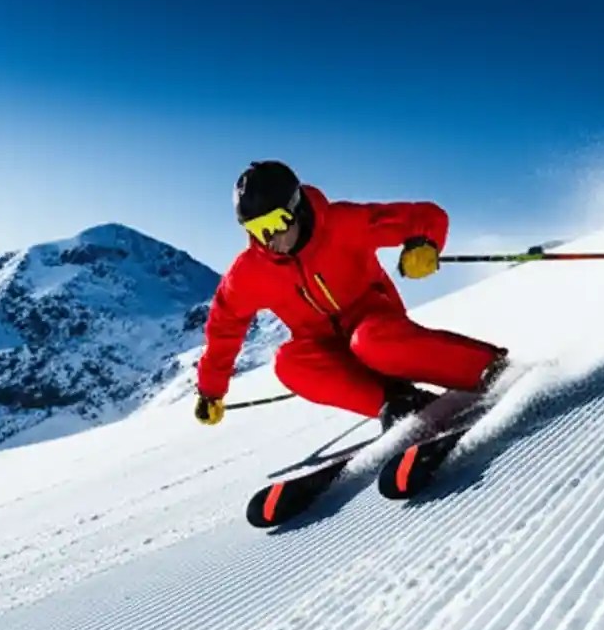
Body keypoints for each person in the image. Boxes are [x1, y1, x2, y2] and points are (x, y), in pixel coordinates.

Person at [194, 160, 507, 429]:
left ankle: (487, 369)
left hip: (377, 326)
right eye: (256, 228)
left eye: (274, 223)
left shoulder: (342, 225)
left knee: (371, 342)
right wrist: (210, 390)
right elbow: (225, 326)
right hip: (329, 349)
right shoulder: (252, 271)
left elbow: (426, 216)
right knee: (288, 363)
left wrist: (425, 244)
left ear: (296, 207)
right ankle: (400, 404)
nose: (269, 238)